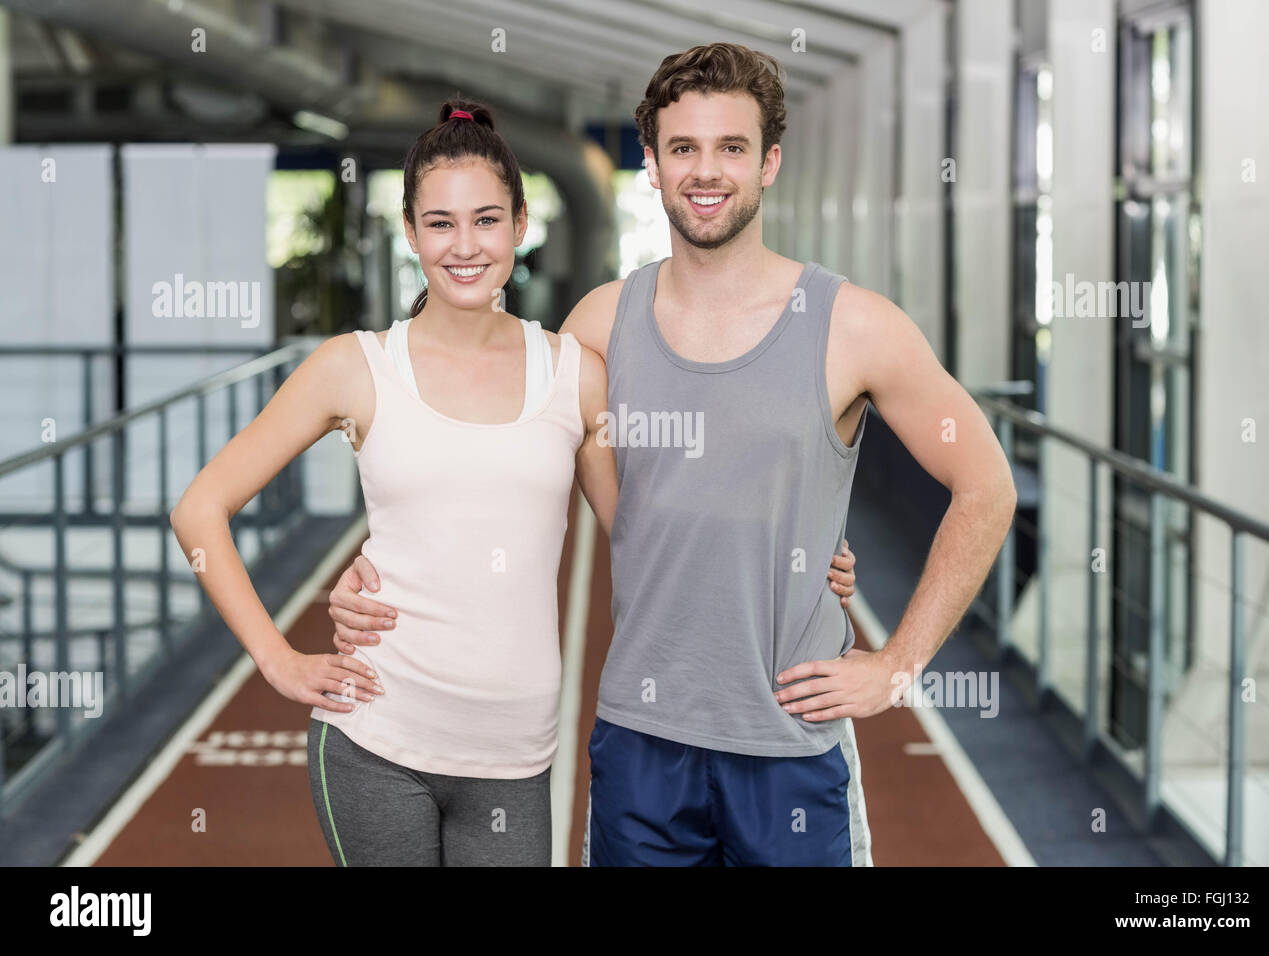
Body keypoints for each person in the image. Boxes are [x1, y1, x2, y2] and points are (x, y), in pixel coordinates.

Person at [328, 43, 1018, 869]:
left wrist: (899, 665)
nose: (707, 171)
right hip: (642, 745)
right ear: (650, 164)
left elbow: (986, 485)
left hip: (790, 747)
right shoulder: (597, 327)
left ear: (769, 162)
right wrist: (378, 568)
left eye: (731, 147)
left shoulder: (854, 326)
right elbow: (473, 457)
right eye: (683, 148)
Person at [171, 94, 862, 867]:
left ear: (521, 224)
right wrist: (279, 659)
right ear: (410, 232)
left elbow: (649, 527)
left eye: (486, 220)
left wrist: (799, 547)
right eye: (440, 223)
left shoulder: (573, 373)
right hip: (377, 737)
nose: (464, 246)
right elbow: (201, 507)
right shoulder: (353, 368)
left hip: (514, 759)